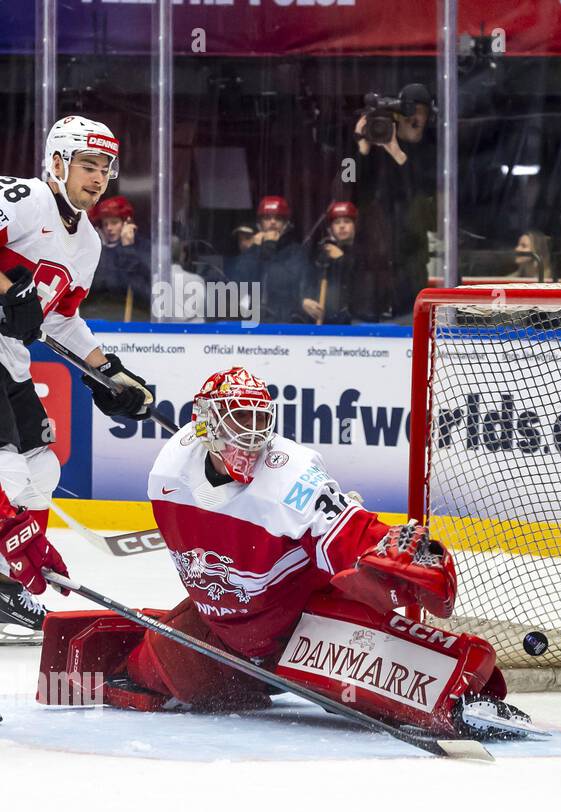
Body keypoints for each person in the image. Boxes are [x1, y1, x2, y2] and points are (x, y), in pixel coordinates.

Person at [48, 367, 533, 740]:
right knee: (159, 676)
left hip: (301, 622)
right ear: (206, 425)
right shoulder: (170, 469)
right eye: (238, 420)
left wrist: (391, 549)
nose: (251, 436)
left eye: (260, 420)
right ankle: (246, 673)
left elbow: (345, 528)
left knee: (395, 684)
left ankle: (470, 700)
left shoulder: (288, 473)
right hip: (227, 628)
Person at [0, 116, 153, 616]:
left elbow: (61, 320)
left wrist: (108, 372)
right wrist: (8, 291)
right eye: (88, 165)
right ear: (58, 162)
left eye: (106, 168)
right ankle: (10, 561)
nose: (98, 177)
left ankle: (8, 581)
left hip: (9, 357)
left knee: (42, 467)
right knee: (4, 467)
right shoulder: (28, 198)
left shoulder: (87, 243)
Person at [350, 83, 438, 322]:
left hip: (408, 285)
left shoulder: (434, 154)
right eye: (410, 111)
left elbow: (426, 202)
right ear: (397, 116)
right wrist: (362, 150)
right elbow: (344, 194)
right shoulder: (369, 151)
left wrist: (397, 153)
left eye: (421, 112)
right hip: (368, 286)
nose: (415, 118)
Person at [229, 195, 310, 324]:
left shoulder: (296, 252)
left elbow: (290, 282)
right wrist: (255, 250)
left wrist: (270, 250)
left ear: (285, 224)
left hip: (285, 322)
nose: (272, 222)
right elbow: (237, 284)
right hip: (252, 321)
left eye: (278, 218)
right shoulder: (253, 250)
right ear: (260, 224)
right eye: (267, 218)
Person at [301, 201, 369, 324]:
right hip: (325, 324)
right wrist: (303, 301)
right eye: (337, 222)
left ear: (355, 226)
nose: (342, 226)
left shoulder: (366, 253)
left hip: (357, 325)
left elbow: (362, 291)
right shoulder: (322, 254)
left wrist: (342, 260)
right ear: (330, 229)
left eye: (347, 221)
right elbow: (307, 282)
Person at [85, 195, 150, 321]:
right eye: (105, 224)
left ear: (127, 223)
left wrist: (127, 249)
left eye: (114, 222)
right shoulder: (96, 250)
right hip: (96, 317)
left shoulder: (143, 248)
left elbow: (138, 287)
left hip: (134, 319)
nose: (109, 228)